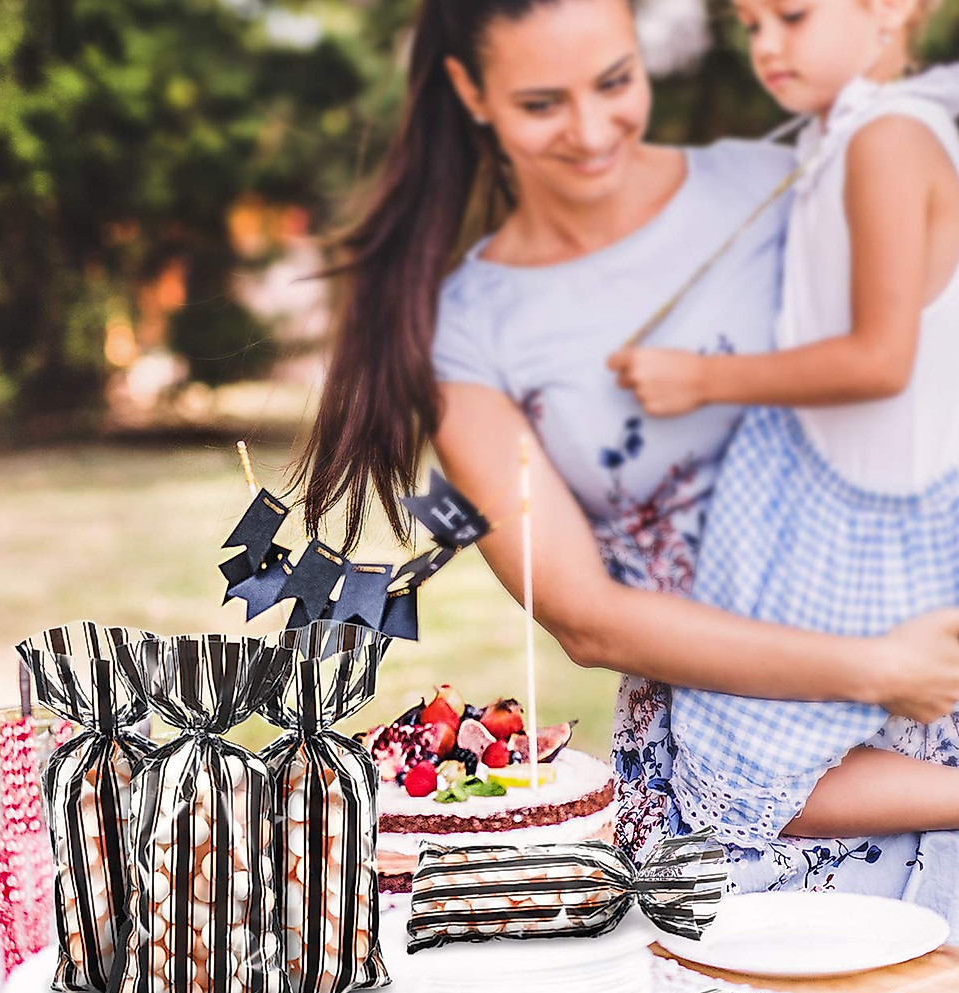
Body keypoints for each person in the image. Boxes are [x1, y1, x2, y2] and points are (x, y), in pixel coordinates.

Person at [295, 0, 959, 887]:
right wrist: (878, 669)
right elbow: (583, 615)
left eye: (616, 81)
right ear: (470, 90)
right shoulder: (465, 332)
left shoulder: (780, 181)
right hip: (746, 820)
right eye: (543, 104)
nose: (593, 129)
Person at [609, 0, 959, 909]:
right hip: (837, 473)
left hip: (859, 491)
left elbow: (880, 358)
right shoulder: (844, 142)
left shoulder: (886, 139)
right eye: (750, 22)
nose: (766, 47)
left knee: (764, 770)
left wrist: (700, 380)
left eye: (792, 17)